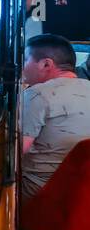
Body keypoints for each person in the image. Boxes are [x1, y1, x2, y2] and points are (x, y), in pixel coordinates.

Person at [21, 34, 90, 200]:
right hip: (82, 198)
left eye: (25, 60)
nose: (22, 67)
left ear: (46, 64)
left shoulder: (37, 94)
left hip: (42, 197)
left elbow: (17, 151)